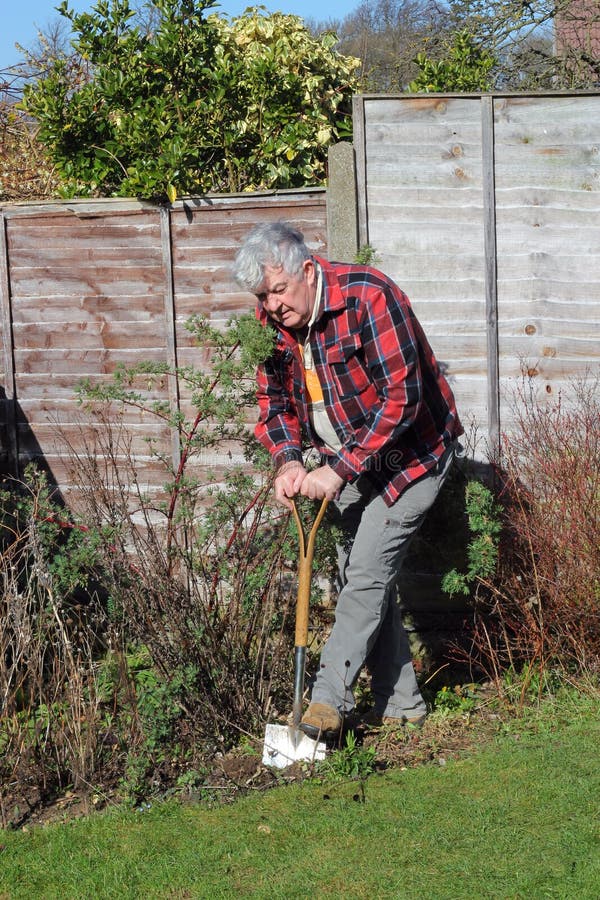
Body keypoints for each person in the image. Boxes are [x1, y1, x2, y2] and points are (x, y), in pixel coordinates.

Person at [232, 221, 463, 740]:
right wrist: (290, 461)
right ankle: (402, 706)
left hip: (415, 456)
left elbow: (402, 398)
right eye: (262, 297)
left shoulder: (369, 298)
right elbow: (273, 403)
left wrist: (337, 470)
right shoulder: (273, 321)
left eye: (278, 291)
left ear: (308, 272)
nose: (271, 306)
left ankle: (322, 705)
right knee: (360, 575)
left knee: (363, 574)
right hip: (350, 461)